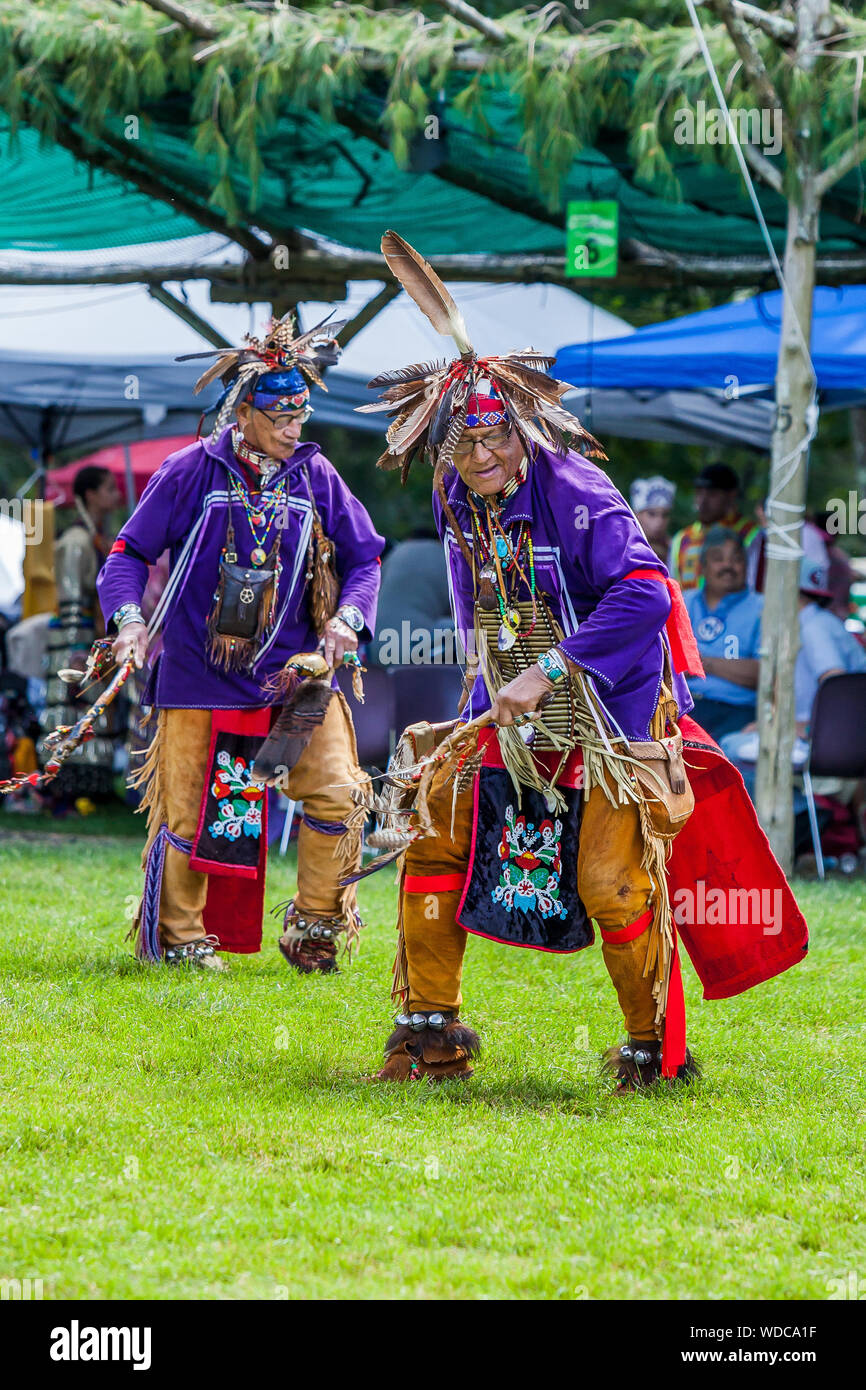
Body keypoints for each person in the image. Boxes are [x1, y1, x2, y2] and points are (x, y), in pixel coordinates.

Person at [355, 232, 807, 1094]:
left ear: (521, 429)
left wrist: (551, 671)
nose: (482, 457)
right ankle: (429, 1033)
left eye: (494, 439)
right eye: (464, 445)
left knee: (609, 877)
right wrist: (491, 690)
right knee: (436, 825)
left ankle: (650, 1049)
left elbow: (646, 591)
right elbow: (475, 601)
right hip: (516, 711)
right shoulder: (461, 496)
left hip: (611, 711)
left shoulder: (575, 491)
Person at [97, 315, 384, 973]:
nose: (294, 425)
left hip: (298, 674)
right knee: (193, 808)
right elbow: (127, 553)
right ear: (243, 410)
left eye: (302, 411)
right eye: (280, 413)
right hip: (200, 672)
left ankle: (315, 925)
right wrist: (129, 622)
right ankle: (181, 937)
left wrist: (348, 621)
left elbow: (366, 558)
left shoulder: (317, 477)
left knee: (339, 790)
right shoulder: (190, 470)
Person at [40, 465, 122, 802]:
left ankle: (91, 789)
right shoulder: (76, 541)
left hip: (92, 639)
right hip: (77, 641)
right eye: (109, 489)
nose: (116, 496)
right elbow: (72, 599)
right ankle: (64, 790)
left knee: (91, 710)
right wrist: (77, 647)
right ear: (90, 495)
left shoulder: (96, 537)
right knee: (72, 709)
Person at [684, 528, 763, 740]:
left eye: (736, 559)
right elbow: (666, 662)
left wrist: (700, 663)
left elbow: (764, 673)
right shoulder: (682, 602)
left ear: (746, 565)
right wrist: (728, 666)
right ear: (703, 567)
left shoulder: (762, 608)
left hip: (738, 711)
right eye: (718, 559)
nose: (728, 566)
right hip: (684, 706)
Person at [368, 527, 454, 667]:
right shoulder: (445, 555)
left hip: (375, 648)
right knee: (467, 630)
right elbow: (459, 610)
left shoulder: (395, 554)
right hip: (412, 647)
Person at [669, 462, 761, 592]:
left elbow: (753, 584)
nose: (703, 501)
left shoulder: (750, 533)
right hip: (688, 611)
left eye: (712, 494)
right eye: (699, 492)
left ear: (731, 496)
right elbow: (672, 589)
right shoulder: (682, 539)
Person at [630, 476, 675, 564]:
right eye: (652, 514)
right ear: (637, 515)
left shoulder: (678, 549)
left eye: (665, 515)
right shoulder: (624, 548)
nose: (659, 521)